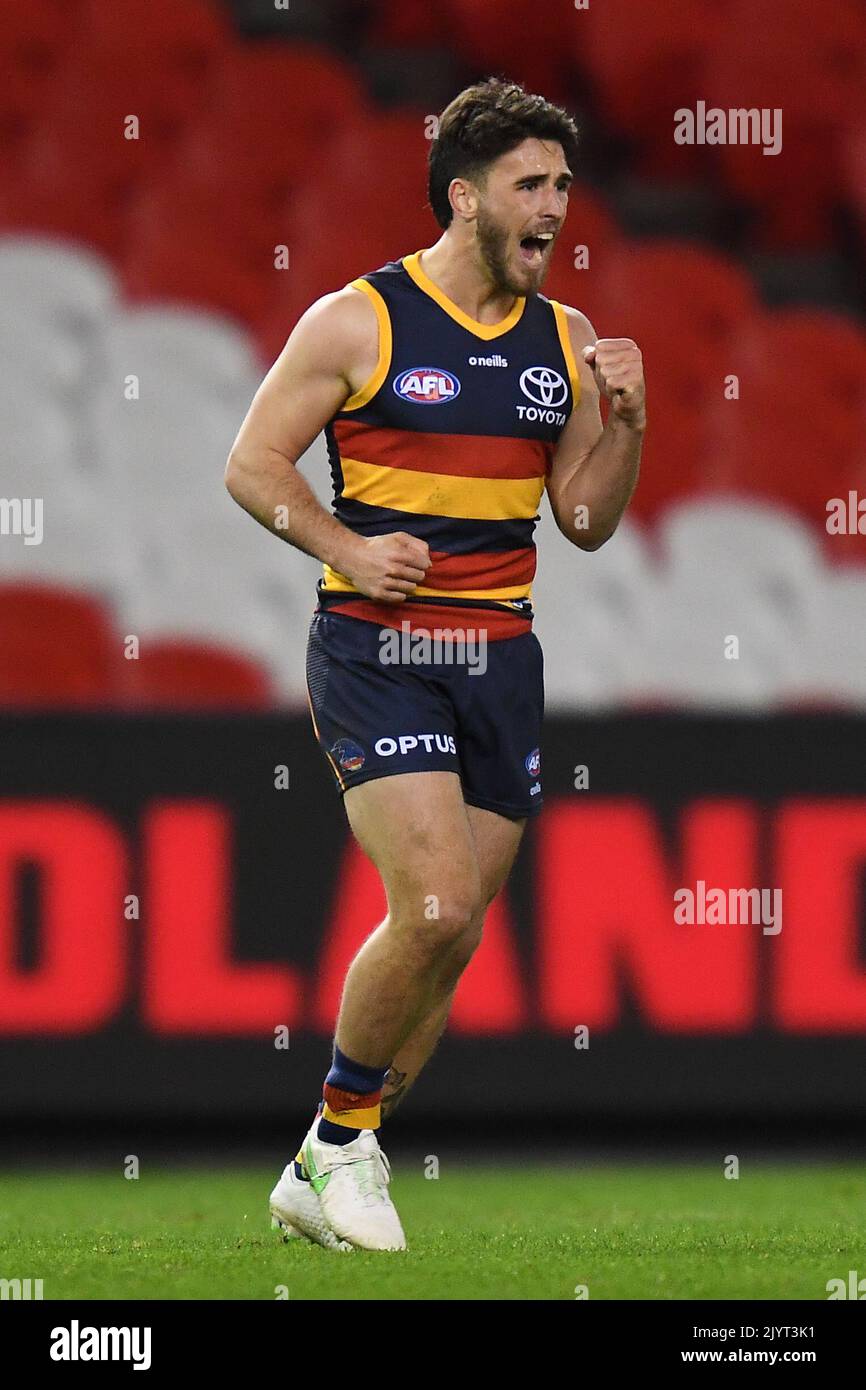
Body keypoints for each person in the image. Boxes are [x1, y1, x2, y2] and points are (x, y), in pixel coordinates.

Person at [225, 77, 645, 1251]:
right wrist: (347, 546)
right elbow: (252, 464)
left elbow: (585, 520)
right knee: (436, 902)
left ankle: (330, 1155)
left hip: (499, 658)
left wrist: (631, 428)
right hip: (378, 651)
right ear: (463, 197)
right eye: (530, 183)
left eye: (563, 184)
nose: (556, 207)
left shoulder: (562, 342)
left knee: (451, 940)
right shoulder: (355, 320)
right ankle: (343, 1143)